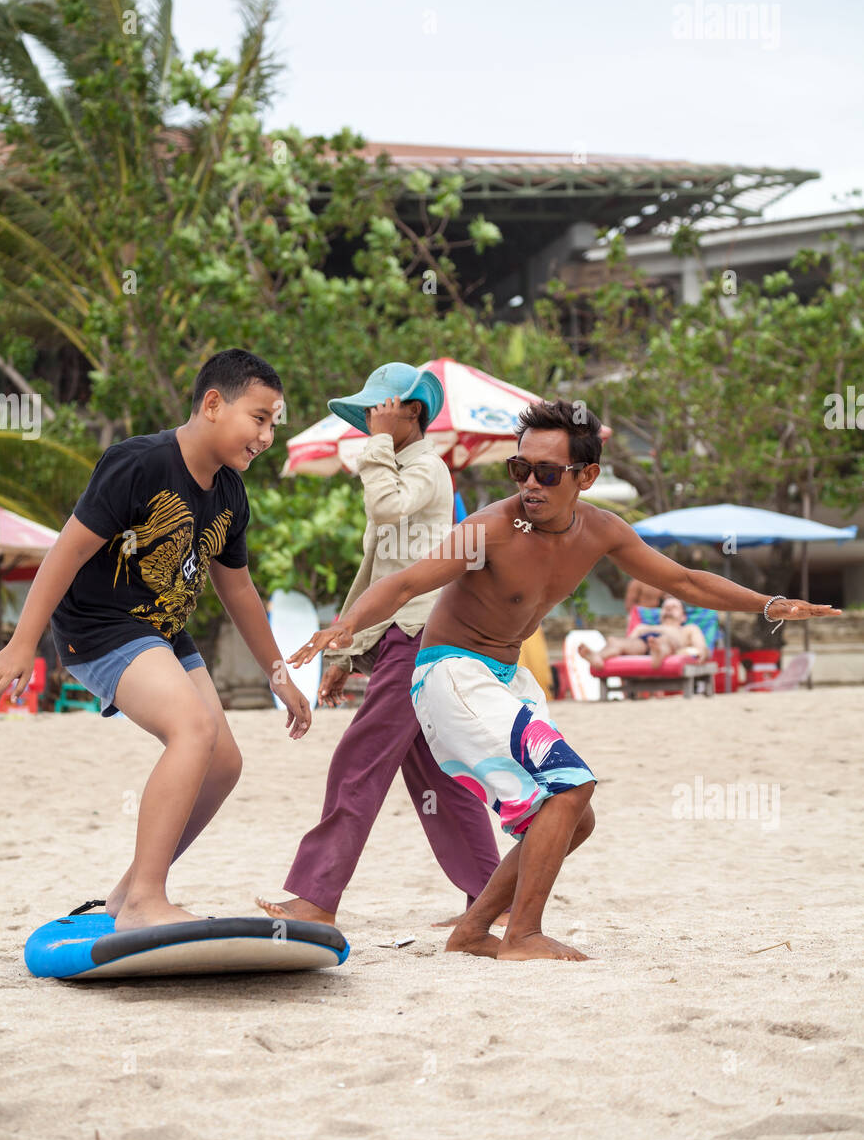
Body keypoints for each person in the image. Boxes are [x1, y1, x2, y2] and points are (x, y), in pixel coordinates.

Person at [288, 398, 841, 963]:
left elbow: (684, 581)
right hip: (451, 672)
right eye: (520, 469)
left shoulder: (601, 531)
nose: (530, 483)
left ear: (586, 476)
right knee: (570, 784)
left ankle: (475, 930)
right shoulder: (492, 530)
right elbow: (409, 582)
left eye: (547, 473)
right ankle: (522, 936)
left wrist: (769, 603)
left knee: (575, 815)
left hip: (506, 678)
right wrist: (347, 626)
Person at [0, 349, 311, 931]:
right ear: (213, 404)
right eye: (260, 418)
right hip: (98, 626)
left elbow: (238, 591)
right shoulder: (138, 464)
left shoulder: (230, 496)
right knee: (191, 730)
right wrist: (23, 642)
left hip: (162, 629)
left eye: (274, 423)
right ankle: (147, 897)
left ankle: (127, 893)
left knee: (223, 762)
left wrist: (279, 674)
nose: (268, 436)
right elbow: (65, 550)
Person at [256, 362, 501, 928]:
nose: (369, 419)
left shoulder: (428, 468)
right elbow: (374, 573)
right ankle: (494, 898)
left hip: (421, 636)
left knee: (357, 762)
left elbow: (385, 506)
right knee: (440, 776)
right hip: (403, 636)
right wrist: (343, 655)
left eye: (378, 409)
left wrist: (377, 450)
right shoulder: (395, 465)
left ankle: (317, 897)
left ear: (411, 411)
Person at [578, 595, 709, 669]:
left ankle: (657, 653)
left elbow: (702, 649)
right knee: (616, 642)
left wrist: (694, 653)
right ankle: (597, 657)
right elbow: (628, 643)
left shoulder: (689, 629)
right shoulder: (643, 627)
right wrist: (620, 645)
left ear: (683, 617)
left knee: (663, 641)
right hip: (644, 642)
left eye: (673, 607)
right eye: (665, 607)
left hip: (669, 642)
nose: (668, 609)